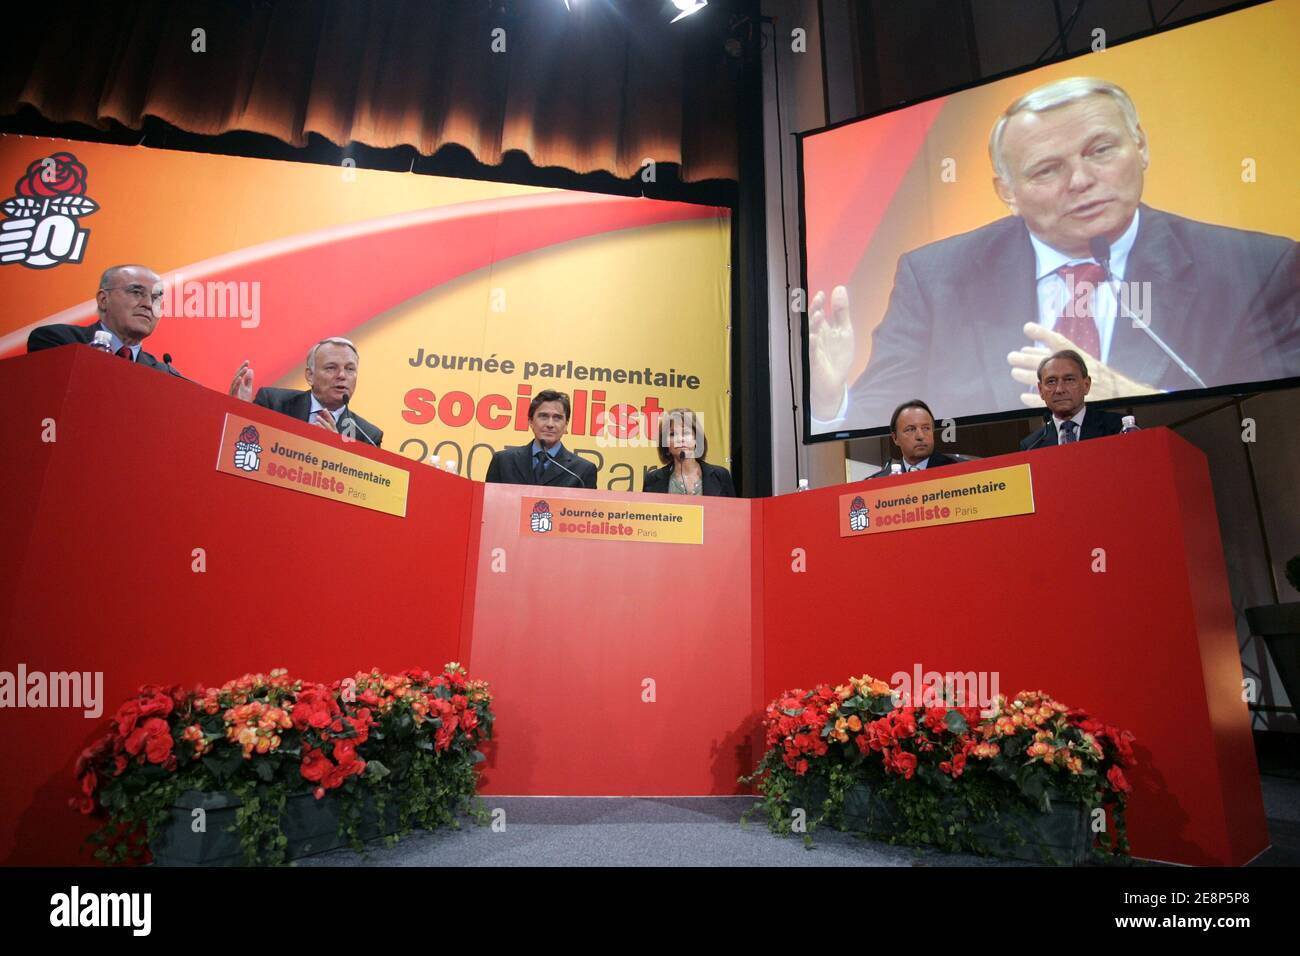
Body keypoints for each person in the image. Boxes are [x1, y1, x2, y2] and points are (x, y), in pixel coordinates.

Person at [810, 76, 1298, 432]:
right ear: (1007, 190)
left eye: (1101, 150)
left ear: (1142, 147)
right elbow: (886, 411)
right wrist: (832, 399)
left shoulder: (1255, 269)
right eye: (1047, 170)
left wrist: (1135, 397)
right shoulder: (936, 276)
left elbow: (1270, 419)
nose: (1082, 181)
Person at [26, 264, 183, 376]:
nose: (148, 304)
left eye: (156, 298)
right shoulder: (57, 341)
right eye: (136, 292)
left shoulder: (164, 374)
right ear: (103, 299)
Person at [229, 337, 383, 447]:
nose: (342, 375)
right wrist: (238, 413)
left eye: (350, 369)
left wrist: (337, 451)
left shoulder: (367, 436)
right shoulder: (273, 403)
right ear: (310, 376)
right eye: (331, 368)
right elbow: (241, 448)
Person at [485, 389, 597, 488]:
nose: (550, 424)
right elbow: (488, 505)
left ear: (566, 425)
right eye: (543, 416)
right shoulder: (503, 461)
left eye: (557, 418)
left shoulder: (582, 471)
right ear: (531, 422)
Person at [1019, 350, 1123, 450]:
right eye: (1051, 382)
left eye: (1069, 380)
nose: (1060, 389)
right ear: (1041, 390)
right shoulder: (1031, 446)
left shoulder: (1118, 428)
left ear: (1086, 385)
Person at [642, 408, 736, 496]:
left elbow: (733, 512)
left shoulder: (720, 476)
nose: (680, 439)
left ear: (696, 438)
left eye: (686, 433)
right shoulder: (652, 480)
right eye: (672, 434)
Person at [868, 399, 962, 477]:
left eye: (926, 428)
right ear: (895, 438)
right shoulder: (881, 481)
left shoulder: (959, 472)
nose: (920, 436)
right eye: (910, 429)